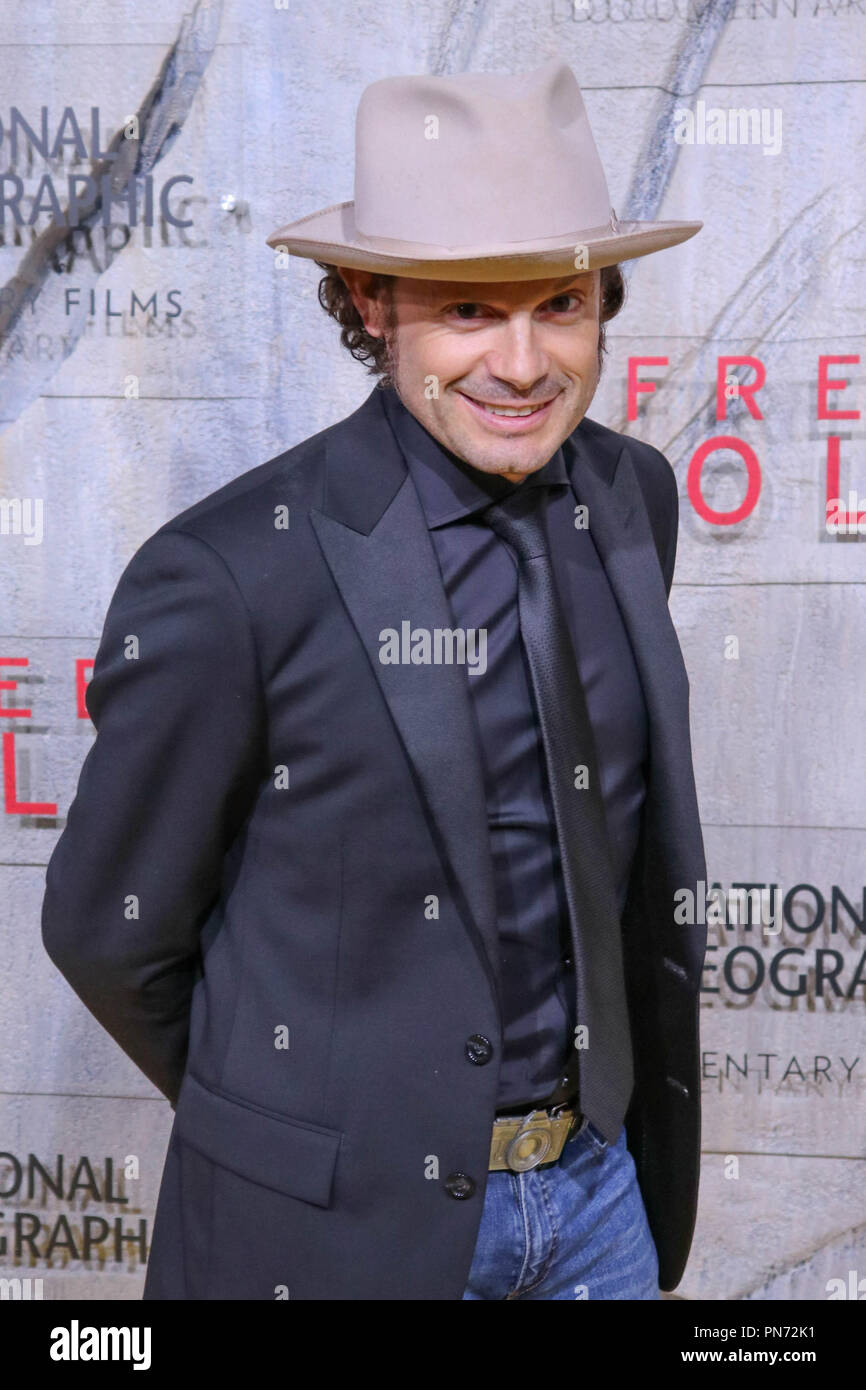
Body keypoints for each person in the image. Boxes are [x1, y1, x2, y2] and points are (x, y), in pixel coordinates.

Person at [41, 57, 708, 1300]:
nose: (523, 364)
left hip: (600, 1207)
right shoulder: (231, 577)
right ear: (370, 298)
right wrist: (310, 1130)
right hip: (343, 1242)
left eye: (558, 305)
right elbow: (107, 931)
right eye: (467, 311)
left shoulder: (630, 502)